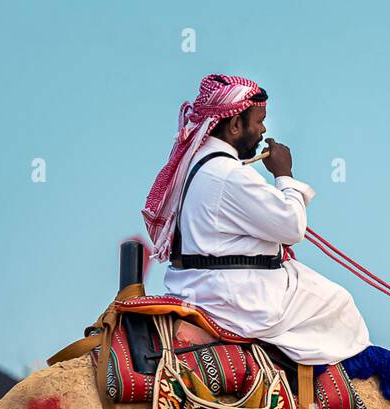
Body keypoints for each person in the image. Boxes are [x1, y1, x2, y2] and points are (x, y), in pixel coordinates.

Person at [143, 74, 372, 365]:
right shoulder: (228, 174)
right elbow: (291, 227)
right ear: (236, 125)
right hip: (233, 297)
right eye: (259, 121)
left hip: (200, 285)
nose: (263, 130)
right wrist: (284, 175)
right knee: (338, 302)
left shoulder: (200, 167)